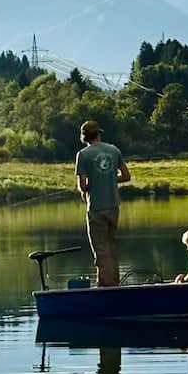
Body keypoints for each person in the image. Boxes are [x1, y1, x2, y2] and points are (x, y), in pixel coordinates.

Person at [75, 120, 131, 287]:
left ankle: (106, 286)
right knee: (112, 247)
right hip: (114, 206)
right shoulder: (114, 150)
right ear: (99, 133)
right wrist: (110, 179)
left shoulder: (83, 155)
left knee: (101, 250)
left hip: (96, 208)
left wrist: (93, 184)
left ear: (84, 137)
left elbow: (82, 186)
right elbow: (126, 176)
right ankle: (114, 283)